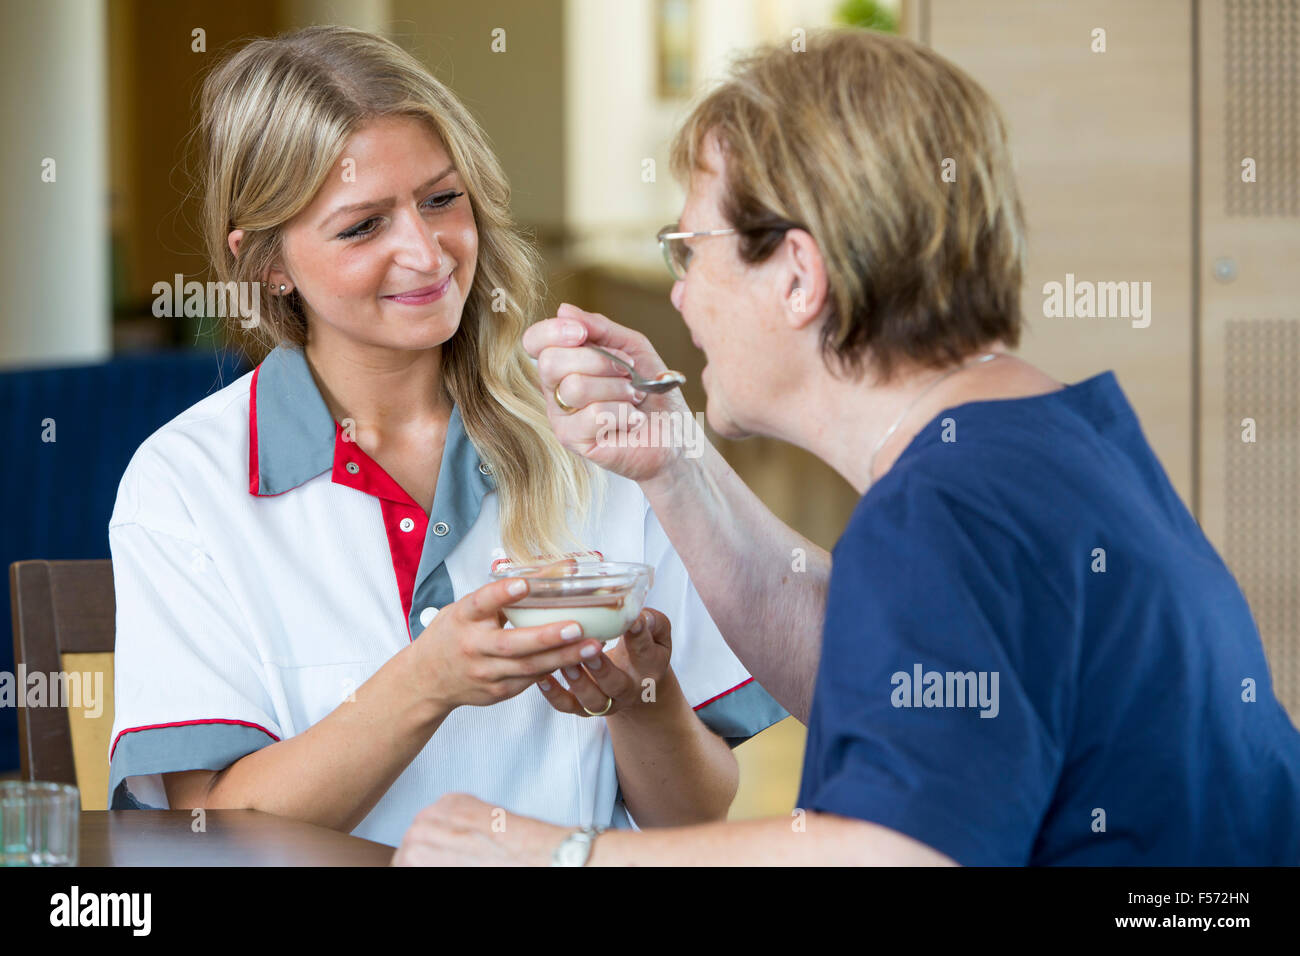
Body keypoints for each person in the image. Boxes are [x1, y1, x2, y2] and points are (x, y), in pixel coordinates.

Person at [393, 28, 1300, 865]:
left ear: (798, 275)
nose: (680, 296)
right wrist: (673, 455)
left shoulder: (947, 511)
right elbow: (893, 684)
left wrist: (558, 856)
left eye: (689, 250)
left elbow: (897, 855)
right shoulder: (1035, 437)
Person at [106, 25, 787, 849]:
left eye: (440, 199)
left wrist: (640, 699)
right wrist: (427, 683)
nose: (426, 254)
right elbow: (203, 830)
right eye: (363, 227)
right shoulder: (188, 481)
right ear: (267, 265)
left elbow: (693, 816)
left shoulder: (599, 436)